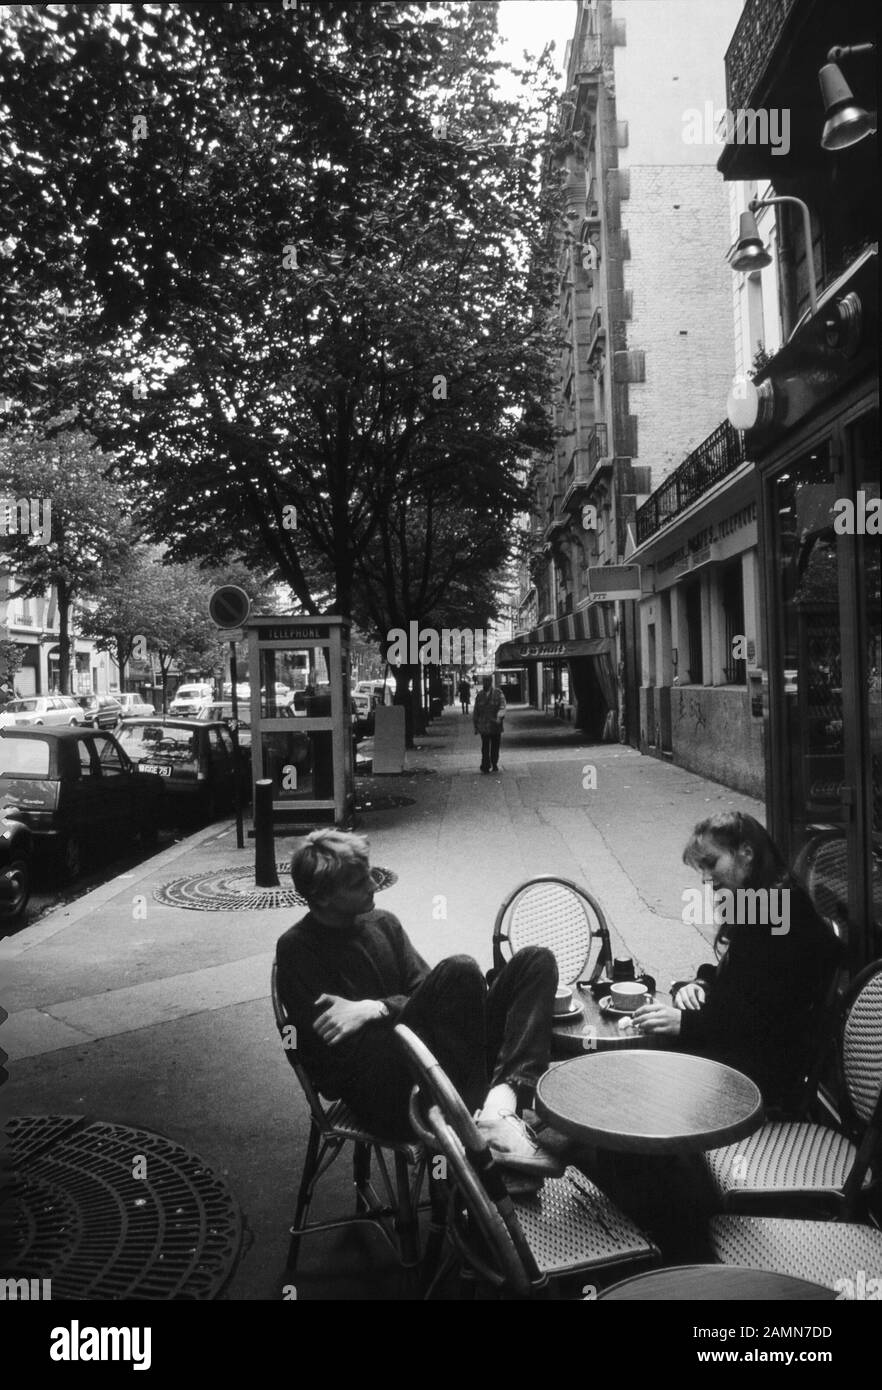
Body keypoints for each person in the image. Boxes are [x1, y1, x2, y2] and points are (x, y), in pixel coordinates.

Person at [275, 830, 563, 1177]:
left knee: (536, 961)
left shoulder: (383, 923)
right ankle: (490, 1116)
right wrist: (401, 1013)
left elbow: (424, 991)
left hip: (447, 1060)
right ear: (322, 898)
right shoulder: (298, 950)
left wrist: (375, 1008)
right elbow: (338, 1062)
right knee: (462, 970)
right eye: (357, 882)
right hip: (392, 1093)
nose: (372, 885)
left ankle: (498, 1107)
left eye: (369, 873)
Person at [631, 811, 841, 1110]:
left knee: (642, 1068)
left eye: (711, 863)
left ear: (746, 853)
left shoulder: (782, 913)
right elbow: (742, 980)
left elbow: (764, 1019)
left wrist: (687, 1023)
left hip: (761, 1074)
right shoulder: (766, 898)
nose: (706, 879)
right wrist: (700, 983)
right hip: (746, 1053)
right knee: (646, 1049)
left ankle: (644, 1151)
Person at [473, 675, 506, 773]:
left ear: (491, 682)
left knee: (495, 746)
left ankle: (494, 763)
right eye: (484, 681)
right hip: (484, 726)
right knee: (485, 746)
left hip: (495, 725)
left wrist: (499, 717)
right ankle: (485, 765)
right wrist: (476, 726)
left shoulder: (498, 693)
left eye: (487, 681)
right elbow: (476, 711)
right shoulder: (480, 695)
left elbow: (503, 706)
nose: (485, 683)